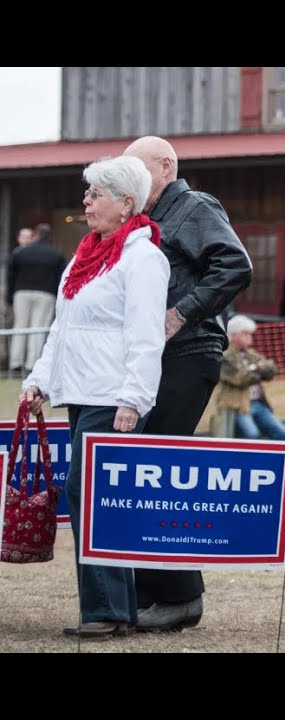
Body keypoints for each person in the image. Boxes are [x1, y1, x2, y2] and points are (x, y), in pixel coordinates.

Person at [21, 156, 168, 638]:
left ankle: (106, 611)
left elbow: (146, 336)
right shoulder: (84, 255)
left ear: (126, 203)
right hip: (80, 390)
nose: (86, 201)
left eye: (96, 194)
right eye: (87, 193)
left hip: (112, 395)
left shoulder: (143, 258)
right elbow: (63, 329)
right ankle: (112, 610)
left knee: (91, 494)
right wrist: (40, 377)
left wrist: (133, 399)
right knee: (95, 498)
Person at [122, 135, 253, 632]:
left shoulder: (192, 205)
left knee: (157, 466)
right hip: (158, 358)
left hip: (190, 352)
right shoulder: (148, 219)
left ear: (165, 166)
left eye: (137, 169)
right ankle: (151, 590)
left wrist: (181, 313)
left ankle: (180, 597)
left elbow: (236, 264)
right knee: (141, 468)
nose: (130, 181)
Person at [216, 314, 285, 441]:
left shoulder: (251, 354)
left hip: (258, 403)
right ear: (234, 335)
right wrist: (257, 368)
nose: (250, 338)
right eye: (246, 334)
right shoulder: (225, 356)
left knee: (282, 433)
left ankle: (269, 461)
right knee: (251, 435)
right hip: (236, 404)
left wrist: (253, 368)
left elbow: (271, 369)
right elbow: (241, 379)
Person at [8, 223, 66, 373]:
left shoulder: (21, 253)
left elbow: (11, 275)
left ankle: (15, 363)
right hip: (45, 294)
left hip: (22, 292)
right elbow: (62, 277)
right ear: (50, 237)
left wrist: (10, 295)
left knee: (20, 327)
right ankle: (31, 364)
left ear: (36, 235)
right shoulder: (56, 255)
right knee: (38, 329)